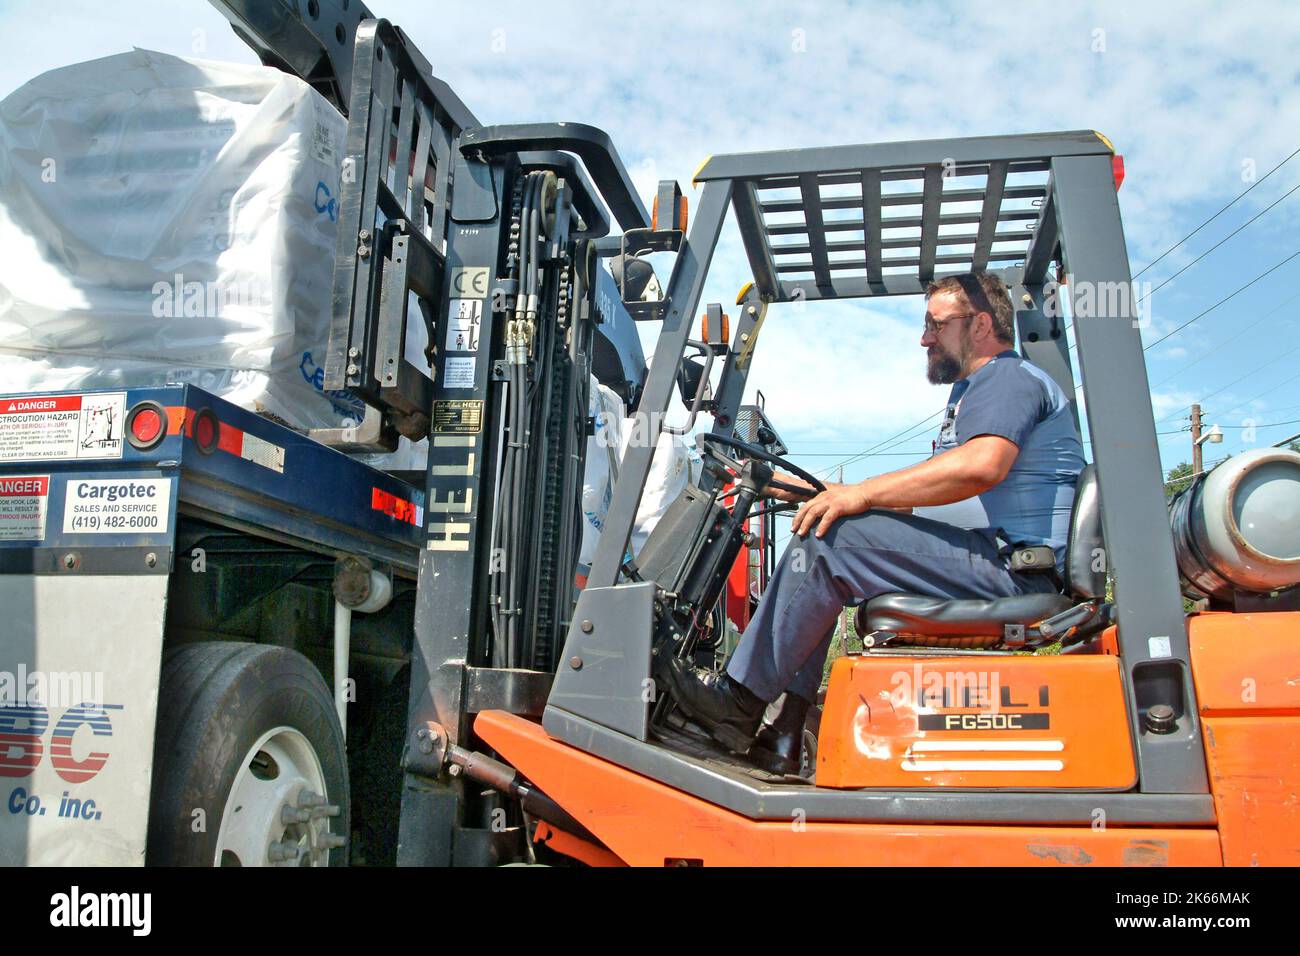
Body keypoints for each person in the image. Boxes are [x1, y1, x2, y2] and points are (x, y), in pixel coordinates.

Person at [660, 271, 1086, 773]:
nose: (924, 337)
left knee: (833, 542)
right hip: (989, 556)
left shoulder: (1005, 378)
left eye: (935, 324)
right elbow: (924, 501)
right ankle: (784, 733)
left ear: (980, 325)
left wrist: (857, 496)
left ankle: (736, 701)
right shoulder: (974, 393)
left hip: (1013, 569)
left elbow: (980, 466)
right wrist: (814, 493)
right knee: (827, 530)